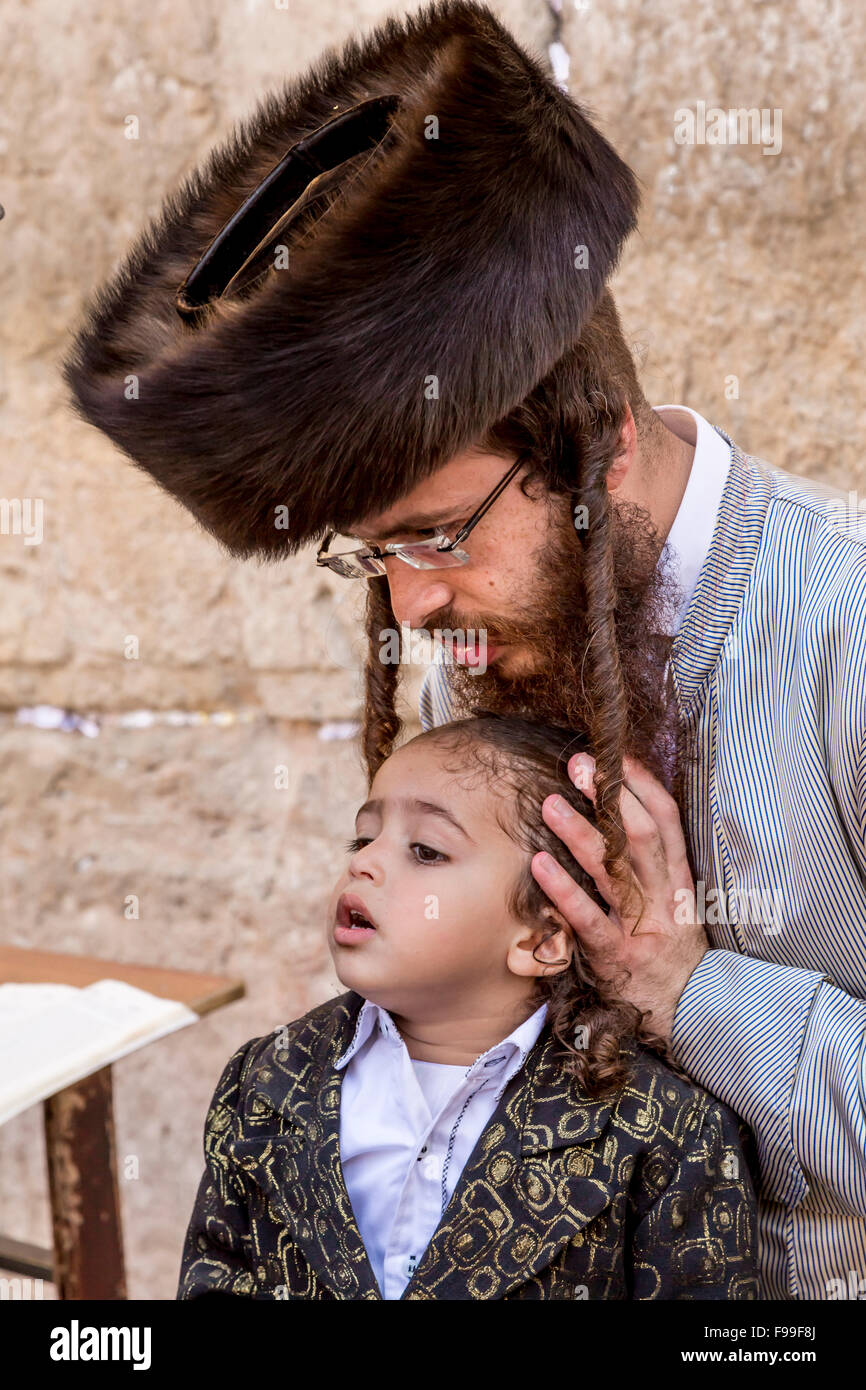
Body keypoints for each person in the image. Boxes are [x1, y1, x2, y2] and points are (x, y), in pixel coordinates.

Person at [60, 0, 866, 1299]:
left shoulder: (847, 619)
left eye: (433, 536)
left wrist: (687, 986)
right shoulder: (504, 623)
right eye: (373, 554)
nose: (415, 612)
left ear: (597, 448)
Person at [177, 712, 758, 1300]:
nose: (364, 862)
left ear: (542, 940)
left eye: (425, 851)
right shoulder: (266, 1080)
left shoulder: (663, 1127)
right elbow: (215, 1276)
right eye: (364, 837)